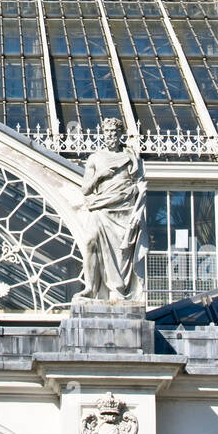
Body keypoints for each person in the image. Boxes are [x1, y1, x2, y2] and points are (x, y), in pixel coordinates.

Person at [77, 117, 144, 301]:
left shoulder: (131, 156)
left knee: (121, 251)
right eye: (107, 132)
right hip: (101, 208)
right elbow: (85, 189)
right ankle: (90, 287)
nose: (110, 135)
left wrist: (139, 212)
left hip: (124, 208)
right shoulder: (95, 158)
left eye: (114, 132)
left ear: (120, 134)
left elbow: (140, 184)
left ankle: (118, 289)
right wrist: (99, 175)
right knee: (90, 241)